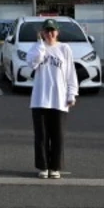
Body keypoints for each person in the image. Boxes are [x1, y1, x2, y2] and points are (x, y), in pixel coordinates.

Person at [27, 19, 77, 179]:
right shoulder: (36, 48)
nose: (50, 34)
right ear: (42, 32)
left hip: (59, 99)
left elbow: (70, 73)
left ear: (57, 32)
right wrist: (41, 45)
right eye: (47, 31)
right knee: (41, 135)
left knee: (58, 135)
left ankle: (55, 167)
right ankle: (43, 167)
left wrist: (71, 94)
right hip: (40, 99)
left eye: (52, 30)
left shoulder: (64, 49)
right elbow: (33, 64)